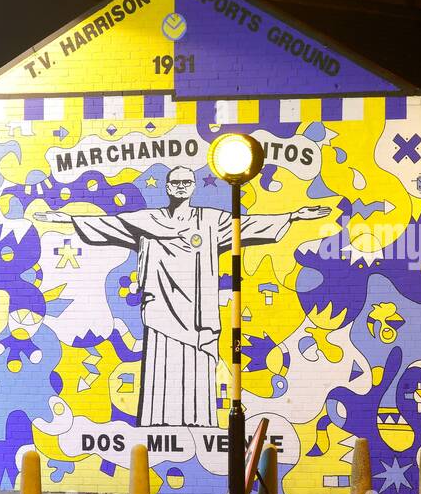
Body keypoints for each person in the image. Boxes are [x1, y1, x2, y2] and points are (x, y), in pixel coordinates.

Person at [35, 167, 330, 426]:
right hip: (162, 309)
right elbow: (109, 224)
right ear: (167, 187)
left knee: (197, 365)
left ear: (192, 188)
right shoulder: (147, 220)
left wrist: (293, 216)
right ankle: (159, 419)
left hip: (198, 313)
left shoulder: (210, 221)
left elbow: (248, 225)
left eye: (186, 183)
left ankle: (197, 419)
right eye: (175, 183)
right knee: (162, 364)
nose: (180, 187)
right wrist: (64, 219)